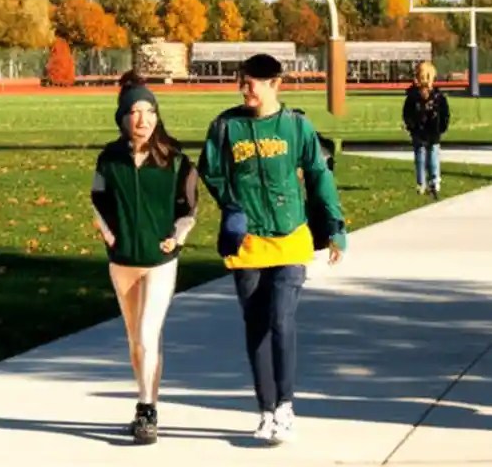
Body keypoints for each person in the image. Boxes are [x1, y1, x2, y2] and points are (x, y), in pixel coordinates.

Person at [199, 53, 348, 445]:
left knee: (282, 319)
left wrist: (335, 226)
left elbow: (319, 174)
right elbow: (211, 171)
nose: (245, 88)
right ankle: (265, 409)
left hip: (289, 237)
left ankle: (286, 406)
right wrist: (233, 205)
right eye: (242, 81)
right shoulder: (225, 127)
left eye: (253, 82)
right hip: (248, 244)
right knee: (256, 325)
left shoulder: (296, 126)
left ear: (275, 84)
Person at [91, 71, 198, 445]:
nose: (143, 119)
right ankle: (144, 397)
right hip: (122, 261)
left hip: (160, 261)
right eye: (135, 111)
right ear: (123, 117)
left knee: (148, 333)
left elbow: (189, 208)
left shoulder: (176, 161)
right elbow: (98, 202)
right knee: (135, 339)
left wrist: (178, 235)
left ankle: (146, 409)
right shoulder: (109, 159)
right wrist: (108, 235)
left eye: (149, 111)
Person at [402, 61, 451, 197]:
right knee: (420, 157)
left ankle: (434, 181)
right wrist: (411, 125)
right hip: (418, 131)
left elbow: (445, 113)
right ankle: (421, 183)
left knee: (433, 156)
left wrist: (442, 127)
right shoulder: (413, 97)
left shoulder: (438, 97)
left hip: (433, 131)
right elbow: (407, 113)